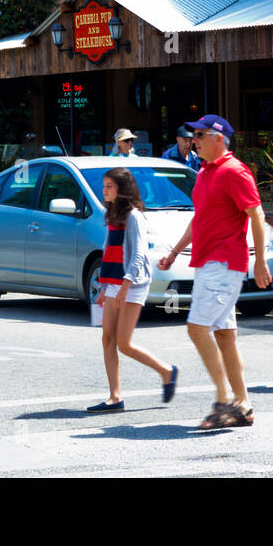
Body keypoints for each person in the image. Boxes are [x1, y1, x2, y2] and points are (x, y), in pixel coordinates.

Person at [157, 114, 271, 430]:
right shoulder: (206, 172)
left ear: (218, 138)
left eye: (200, 136)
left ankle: (224, 403)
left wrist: (259, 261)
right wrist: (174, 252)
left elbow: (257, 215)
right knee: (224, 336)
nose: (194, 141)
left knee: (196, 328)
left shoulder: (234, 172)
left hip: (224, 265)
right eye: (193, 136)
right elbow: (200, 219)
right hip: (208, 263)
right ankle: (243, 404)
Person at [88, 167, 178, 412]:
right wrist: (104, 287)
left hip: (133, 284)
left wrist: (126, 284)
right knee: (107, 338)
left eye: (109, 186)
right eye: (104, 186)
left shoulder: (134, 215)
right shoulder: (112, 214)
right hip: (113, 283)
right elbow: (109, 251)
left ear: (122, 189)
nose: (104, 190)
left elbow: (139, 252)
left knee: (124, 343)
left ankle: (167, 371)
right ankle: (115, 397)